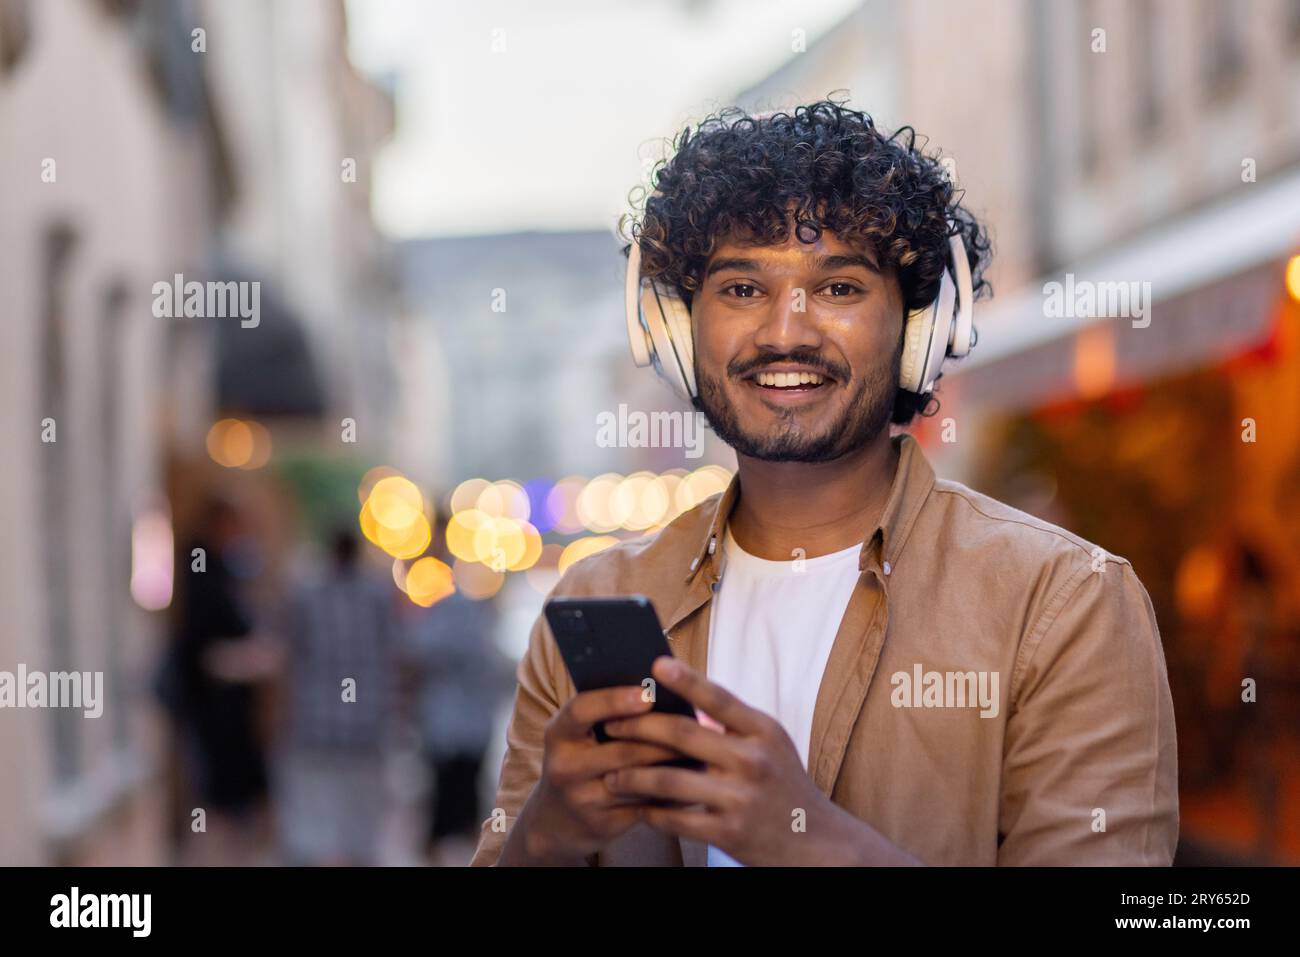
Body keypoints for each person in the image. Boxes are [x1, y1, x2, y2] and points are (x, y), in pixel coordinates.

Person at [472, 100, 1179, 867]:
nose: (786, 331)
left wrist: (807, 837)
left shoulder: (1064, 604)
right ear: (677, 331)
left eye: (840, 288)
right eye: (742, 289)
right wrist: (546, 835)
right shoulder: (597, 598)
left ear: (917, 331)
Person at [275, 527, 399, 865]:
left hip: (315, 722)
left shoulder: (306, 596)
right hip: (365, 723)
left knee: (317, 820)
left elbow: (290, 654)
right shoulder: (377, 596)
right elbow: (393, 652)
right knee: (361, 821)